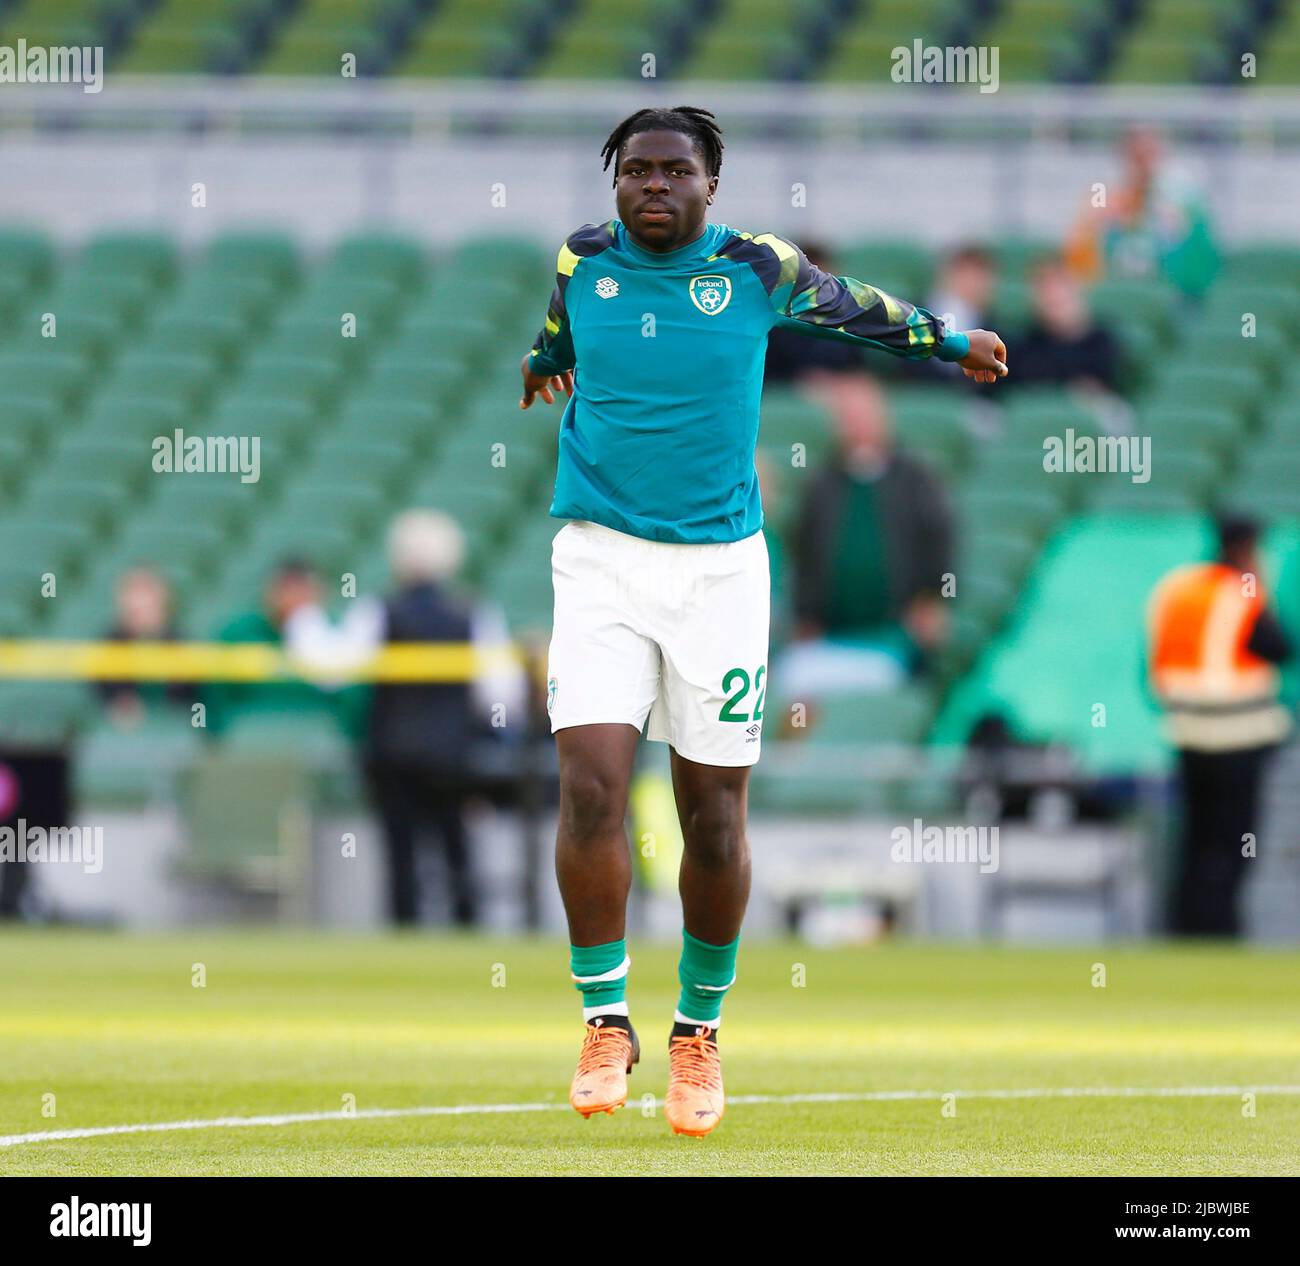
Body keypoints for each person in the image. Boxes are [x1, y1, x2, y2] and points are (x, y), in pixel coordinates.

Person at [519, 104, 1007, 1136]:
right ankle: (605, 1017)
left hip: (720, 576)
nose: (651, 186)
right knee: (592, 783)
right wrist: (538, 362)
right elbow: (559, 332)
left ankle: (698, 1033)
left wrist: (950, 342)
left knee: (712, 814)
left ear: (709, 185)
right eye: (634, 172)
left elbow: (859, 310)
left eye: (672, 171)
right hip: (599, 558)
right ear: (614, 184)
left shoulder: (754, 267)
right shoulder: (582, 261)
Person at [283, 511, 527, 927]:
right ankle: (467, 928)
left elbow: (332, 669)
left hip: (393, 752)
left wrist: (303, 618)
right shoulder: (472, 612)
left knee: (402, 853)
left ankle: (407, 927)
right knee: (456, 845)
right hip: (452, 753)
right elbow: (501, 693)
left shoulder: (380, 610)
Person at [1146, 514, 1293, 937]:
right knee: (1234, 842)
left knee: (1194, 839)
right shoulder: (1241, 591)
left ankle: (1184, 929)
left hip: (1187, 734)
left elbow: (1154, 663)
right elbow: (1279, 646)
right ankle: (1221, 929)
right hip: (1239, 736)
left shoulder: (1177, 587)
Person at [779, 372, 955, 701]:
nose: (855, 423)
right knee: (790, 683)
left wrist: (935, 600)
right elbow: (803, 556)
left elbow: (941, 544)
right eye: (847, 416)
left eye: (863, 414)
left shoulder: (917, 480)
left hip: (894, 634)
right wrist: (805, 617)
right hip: (830, 638)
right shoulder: (820, 486)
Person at [203, 560, 363, 740]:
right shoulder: (237, 634)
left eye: (304, 591)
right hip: (249, 744)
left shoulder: (336, 637)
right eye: (288, 589)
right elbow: (215, 700)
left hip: (316, 744)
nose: (295, 599)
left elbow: (349, 702)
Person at [1065, 126, 1218, 300]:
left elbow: (1198, 254)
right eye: (1136, 156)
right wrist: (1105, 220)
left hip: (1171, 292)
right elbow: (1082, 245)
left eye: (1149, 155)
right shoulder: (1103, 194)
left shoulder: (1184, 196)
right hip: (1115, 288)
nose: (1143, 164)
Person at [97, 568, 194, 725]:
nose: (138, 603)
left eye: (145, 594)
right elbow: (102, 689)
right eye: (133, 594)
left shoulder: (179, 643)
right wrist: (121, 701)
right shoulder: (110, 643)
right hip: (123, 730)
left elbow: (189, 693)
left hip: (174, 728)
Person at [1012, 255, 1120, 394]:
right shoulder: (1023, 345)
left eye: (1061, 286)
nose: (1055, 294)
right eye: (1046, 288)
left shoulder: (1105, 341)